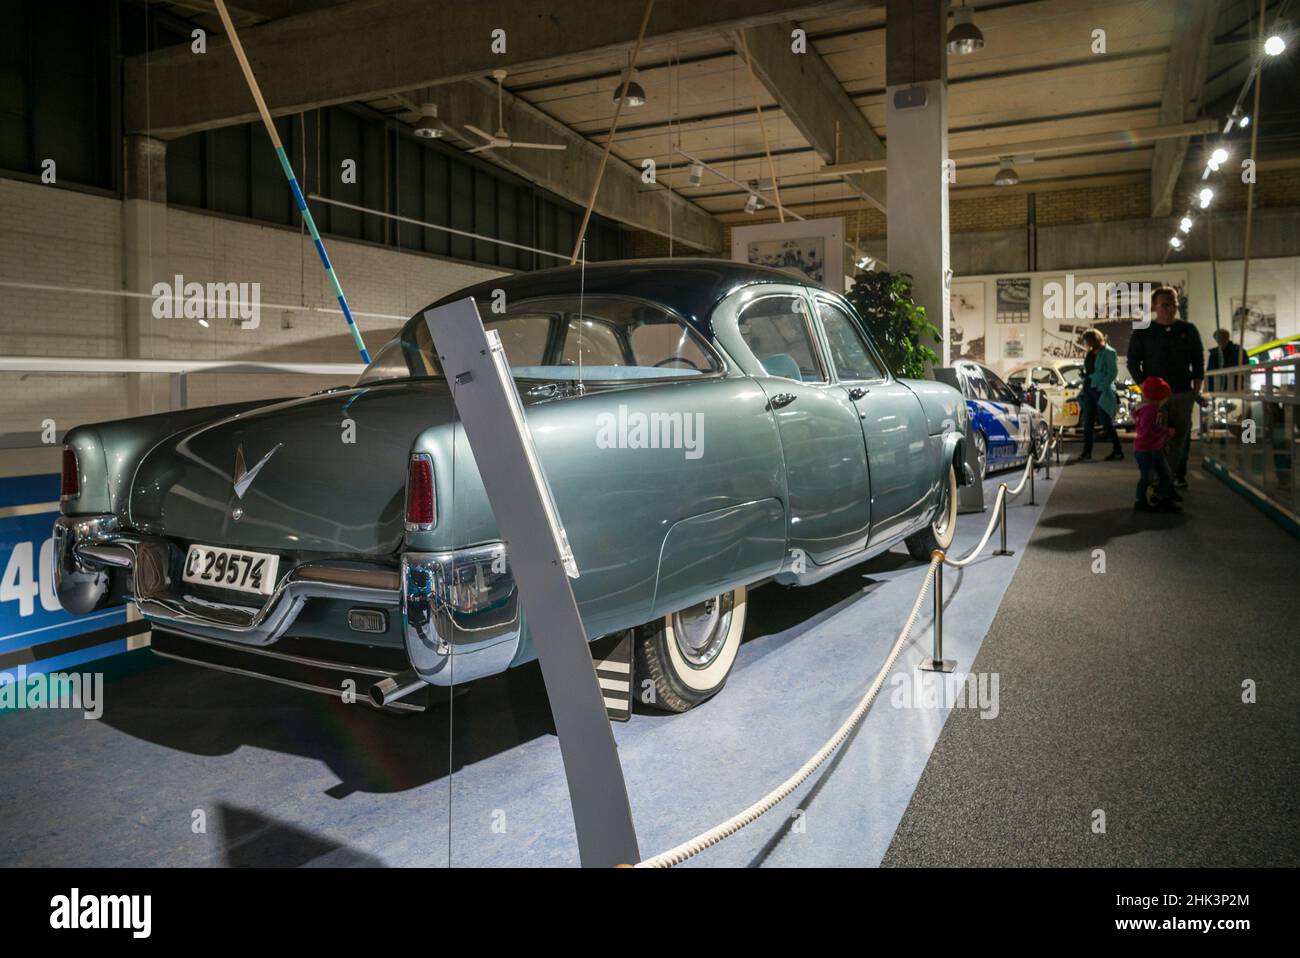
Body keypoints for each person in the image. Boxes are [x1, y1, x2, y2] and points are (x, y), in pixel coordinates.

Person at [1127, 286, 1203, 491]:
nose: (1171, 309)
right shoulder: (1143, 332)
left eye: (1174, 304)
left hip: (1182, 392)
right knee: (1154, 438)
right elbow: (1133, 362)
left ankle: (1175, 476)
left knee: (1179, 438)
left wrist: (1196, 388)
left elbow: (1198, 360)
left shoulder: (1188, 330)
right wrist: (1145, 386)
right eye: (1165, 305)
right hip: (1154, 397)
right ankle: (1158, 478)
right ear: (1154, 307)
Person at [1132, 376, 1181, 513]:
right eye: (1165, 396)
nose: (1167, 399)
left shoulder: (1149, 409)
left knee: (1162, 474)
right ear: (1159, 396)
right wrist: (1165, 431)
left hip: (1152, 448)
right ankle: (1141, 501)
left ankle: (1160, 497)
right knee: (1148, 476)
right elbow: (1148, 431)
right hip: (1147, 449)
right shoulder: (1150, 411)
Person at [1077, 328, 1123, 461]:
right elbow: (1091, 370)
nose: (1085, 343)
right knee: (1088, 422)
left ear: (1093, 339)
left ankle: (1118, 450)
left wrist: (1101, 387)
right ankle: (1087, 452)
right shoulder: (1090, 353)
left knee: (1105, 421)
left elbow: (1112, 373)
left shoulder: (1109, 352)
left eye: (1087, 340)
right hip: (1089, 388)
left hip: (1101, 390)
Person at [1206, 328, 1244, 393]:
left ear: (1227, 337)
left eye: (1222, 337)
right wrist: (1210, 388)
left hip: (1235, 386)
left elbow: (1244, 366)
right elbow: (1210, 371)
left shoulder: (1237, 351)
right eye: (1218, 338)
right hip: (1218, 387)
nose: (1220, 340)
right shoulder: (1214, 353)